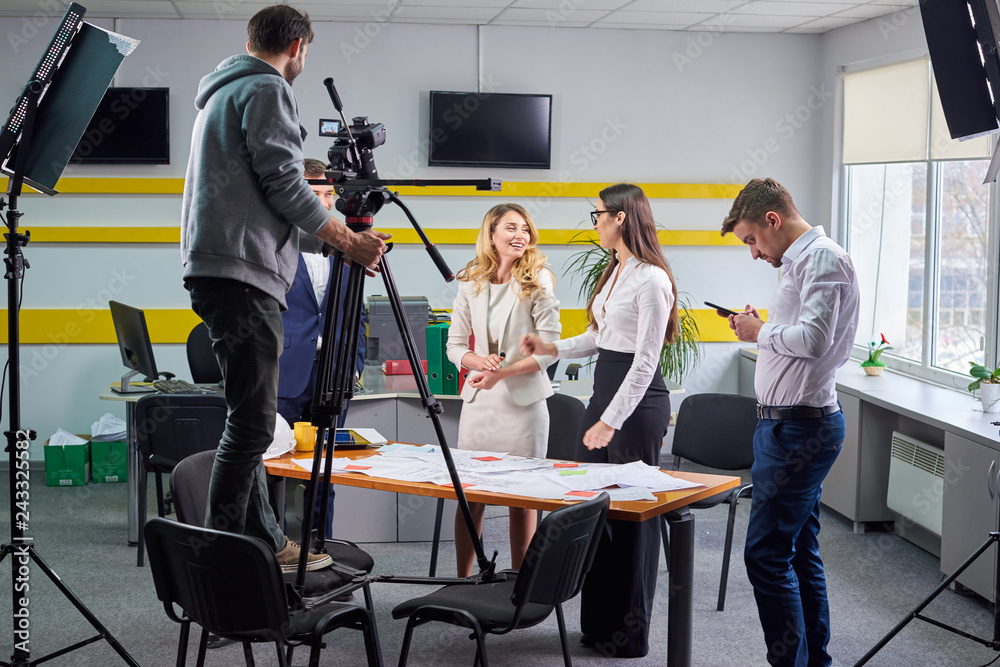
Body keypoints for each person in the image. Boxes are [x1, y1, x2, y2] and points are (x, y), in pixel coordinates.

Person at [180, 5, 389, 573]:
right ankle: (222, 567)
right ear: (296, 46)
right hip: (242, 277)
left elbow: (263, 207)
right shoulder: (268, 88)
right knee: (251, 426)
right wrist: (347, 240)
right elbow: (285, 185)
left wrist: (333, 243)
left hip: (223, 267)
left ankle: (269, 543)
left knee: (248, 421)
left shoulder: (222, 95)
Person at [521, 183, 679, 658]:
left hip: (635, 406)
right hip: (606, 395)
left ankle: (628, 634)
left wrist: (611, 420)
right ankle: (598, 625)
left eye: (598, 215)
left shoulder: (653, 279)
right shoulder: (618, 270)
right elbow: (599, 337)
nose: (594, 222)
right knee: (594, 511)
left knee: (632, 517)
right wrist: (553, 348)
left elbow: (646, 361)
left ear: (622, 218)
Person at [720, 177, 859, 667]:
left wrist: (763, 331)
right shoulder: (799, 263)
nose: (754, 253)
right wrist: (762, 327)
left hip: (801, 429)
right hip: (784, 426)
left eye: (751, 240)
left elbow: (816, 341)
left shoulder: (821, 258)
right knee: (798, 550)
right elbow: (796, 337)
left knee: (764, 555)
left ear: (772, 220)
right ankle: (812, 661)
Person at [446, 203, 561, 578]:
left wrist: (503, 372)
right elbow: (454, 345)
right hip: (481, 402)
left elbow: (548, 350)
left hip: (523, 404)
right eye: (511, 228)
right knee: (471, 499)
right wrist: (478, 363)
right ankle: (464, 580)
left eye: (525, 229)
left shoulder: (538, 279)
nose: (520, 236)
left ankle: (519, 586)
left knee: (521, 500)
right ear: (491, 235)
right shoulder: (470, 280)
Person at [276, 158, 368, 536]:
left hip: (332, 375)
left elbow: (357, 315)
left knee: (324, 474)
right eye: (314, 194)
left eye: (329, 194)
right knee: (274, 471)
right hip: (282, 375)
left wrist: (354, 366)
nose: (325, 202)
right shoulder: (274, 245)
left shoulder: (351, 246)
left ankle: (321, 551)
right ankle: (270, 554)